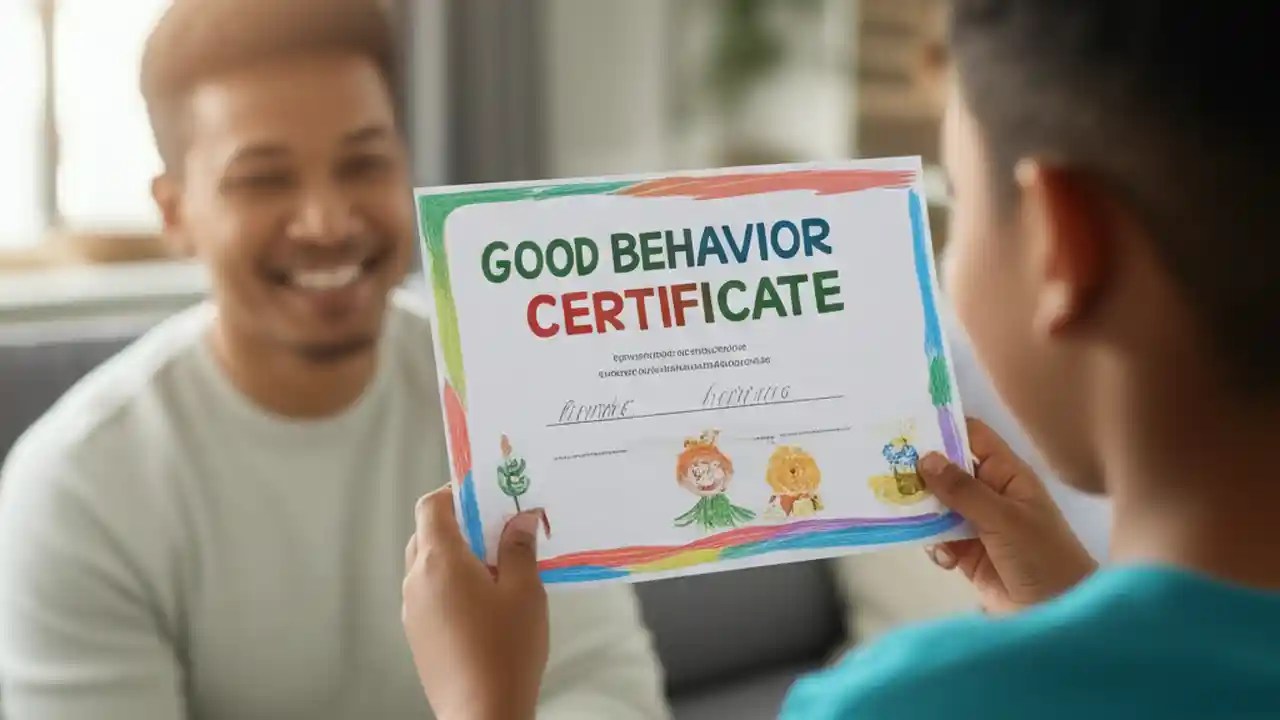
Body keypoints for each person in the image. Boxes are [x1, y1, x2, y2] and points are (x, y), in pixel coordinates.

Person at [399, 2, 1280, 719]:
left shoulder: (897, 708)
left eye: (960, 202)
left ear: (1061, 245)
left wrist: (487, 705)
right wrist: (1067, 608)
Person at [0, 1, 668, 718]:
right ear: (175, 213)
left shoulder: (516, 410)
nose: (327, 220)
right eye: (263, 179)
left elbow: (611, 693)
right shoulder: (78, 490)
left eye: (363, 164)